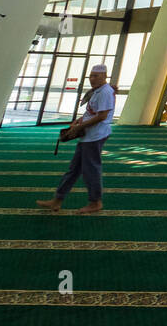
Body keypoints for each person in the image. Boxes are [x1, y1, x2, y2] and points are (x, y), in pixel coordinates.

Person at [36, 64, 116, 214]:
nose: (92, 79)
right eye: (91, 76)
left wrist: (79, 127)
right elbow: (92, 112)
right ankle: (57, 200)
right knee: (74, 170)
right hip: (88, 136)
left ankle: (95, 202)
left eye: (95, 76)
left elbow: (102, 116)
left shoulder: (105, 92)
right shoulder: (97, 91)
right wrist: (78, 122)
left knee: (91, 170)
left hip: (95, 136)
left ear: (104, 76)